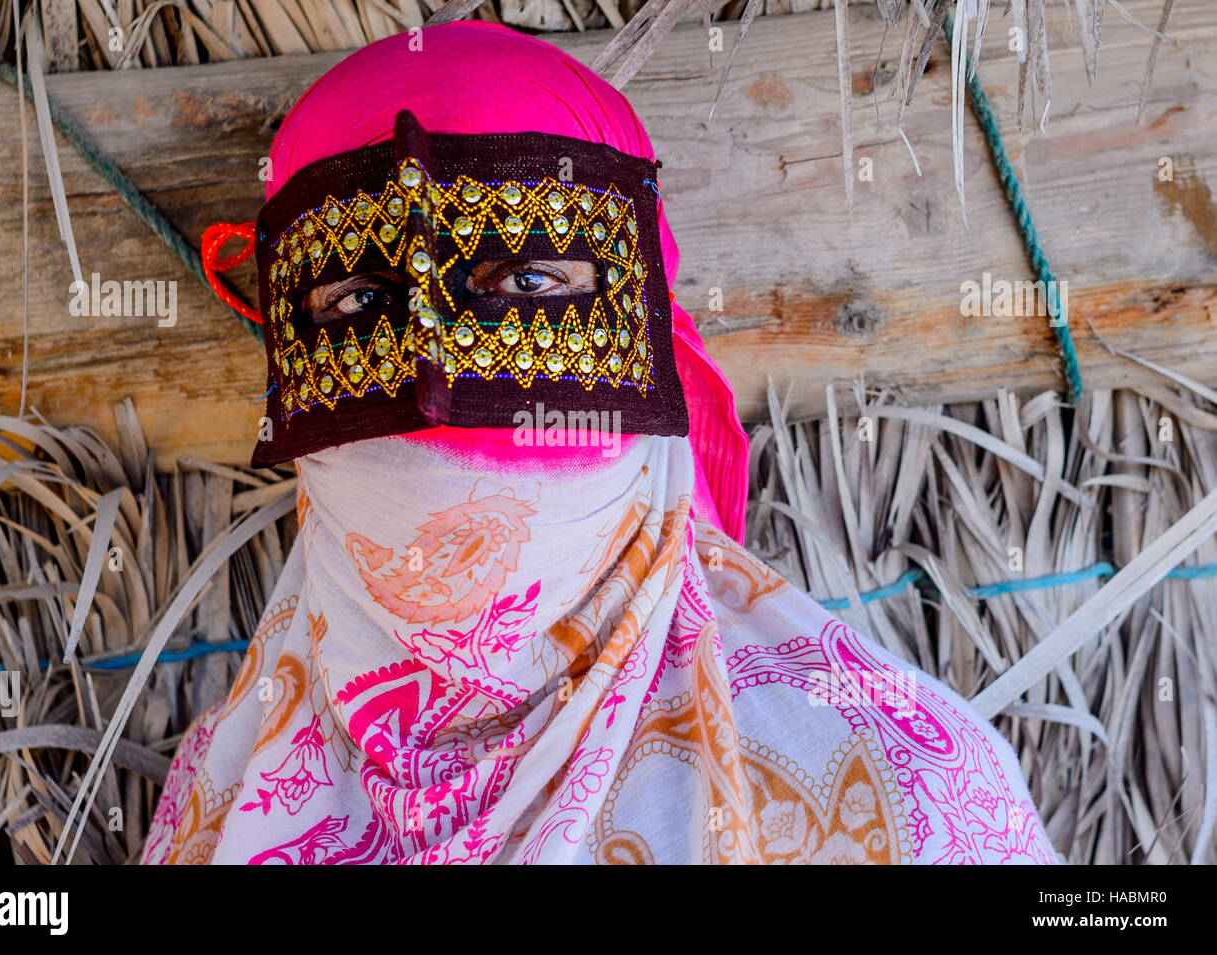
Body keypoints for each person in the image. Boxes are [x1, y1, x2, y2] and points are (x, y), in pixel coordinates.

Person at [141, 20, 1056, 865]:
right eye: (355, 301)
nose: (440, 400)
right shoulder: (214, 795)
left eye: (531, 279)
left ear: (647, 328)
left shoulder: (911, 801)